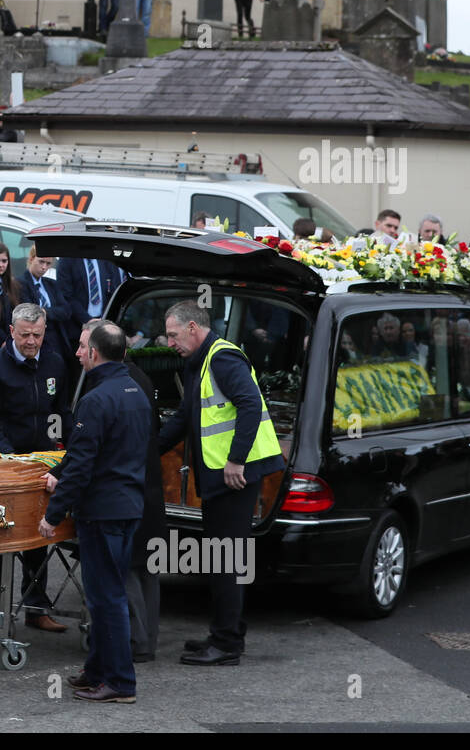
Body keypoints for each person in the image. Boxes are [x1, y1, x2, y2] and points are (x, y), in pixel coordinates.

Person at [159, 300, 285, 666]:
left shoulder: (222, 358)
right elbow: (185, 417)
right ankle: (225, 634)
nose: (169, 343)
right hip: (222, 478)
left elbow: (248, 403)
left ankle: (227, 644)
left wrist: (235, 460)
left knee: (226, 560)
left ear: (194, 329)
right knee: (221, 557)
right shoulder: (201, 360)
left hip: (234, 476)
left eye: (173, 335)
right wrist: (147, 451)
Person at [38, 321, 150, 701]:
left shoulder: (96, 399)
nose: (77, 353)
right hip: (127, 505)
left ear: (95, 353)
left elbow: (84, 464)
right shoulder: (135, 391)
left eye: (83, 347)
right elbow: (91, 453)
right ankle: (98, 670)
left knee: (105, 599)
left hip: (103, 512)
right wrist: (59, 471)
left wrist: (53, 515)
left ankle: (119, 682)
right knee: (105, 595)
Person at [0, 302, 70, 632]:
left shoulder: (55, 363)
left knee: (37, 536)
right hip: (1, 465)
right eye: (25, 335)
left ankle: (35, 606)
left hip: (41, 463)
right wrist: (11, 458)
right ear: (11, 332)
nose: (31, 341)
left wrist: (65, 450)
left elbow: (61, 412)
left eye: (37, 335)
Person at [20, 249, 74, 369]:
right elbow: (30, 313)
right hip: (35, 338)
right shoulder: (21, 284)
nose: (44, 267)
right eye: (41, 262)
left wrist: (45, 311)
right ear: (31, 259)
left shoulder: (51, 284)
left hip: (56, 338)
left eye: (48, 264)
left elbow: (66, 311)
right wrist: (49, 312)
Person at [57, 255, 126, 329]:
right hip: (77, 325)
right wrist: (87, 320)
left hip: (102, 323)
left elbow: (112, 290)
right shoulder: (67, 260)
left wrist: (105, 320)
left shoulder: (106, 260)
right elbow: (66, 295)